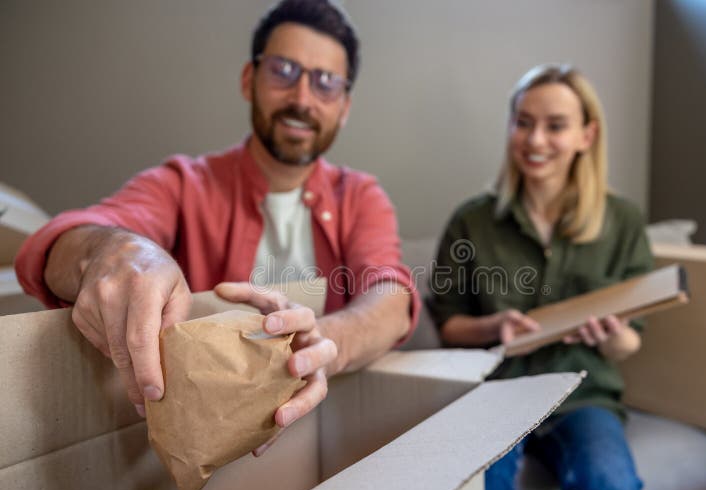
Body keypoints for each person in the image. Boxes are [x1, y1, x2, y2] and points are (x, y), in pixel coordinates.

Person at [15, 0, 419, 456]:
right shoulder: (185, 184)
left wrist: (324, 344)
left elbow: (392, 295)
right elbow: (67, 239)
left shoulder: (360, 196)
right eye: (284, 70)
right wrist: (110, 250)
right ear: (250, 80)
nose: (302, 99)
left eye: (325, 83)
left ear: (344, 107)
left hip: (325, 440)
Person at [427, 64, 653, 490]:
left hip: (583, 390)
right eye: (523, 122)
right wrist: (494, 328)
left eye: (555, 126)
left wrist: (610, 338)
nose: (534, 140)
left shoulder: (624, 221)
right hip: (497, 391)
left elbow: (632, 341)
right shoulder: (472, 221)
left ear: (586, 135)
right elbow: (448, 323)